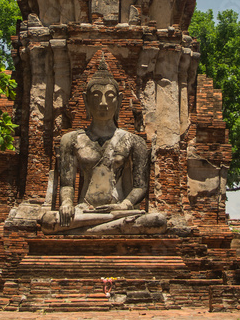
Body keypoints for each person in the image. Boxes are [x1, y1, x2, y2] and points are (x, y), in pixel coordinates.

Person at [41, 60, 166, 234]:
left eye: (109, 97)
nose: (103, 103)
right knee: (48, 220)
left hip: (119, 211)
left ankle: (91, 230)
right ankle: (103, 227)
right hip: (85, 210)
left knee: (157, 221)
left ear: (119, 100)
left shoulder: (134, 141)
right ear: (86, 100)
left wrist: (125, 205)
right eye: (96, 96)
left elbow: (141, 187)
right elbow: (67, 184)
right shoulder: (71, 140)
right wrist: (67, 204)